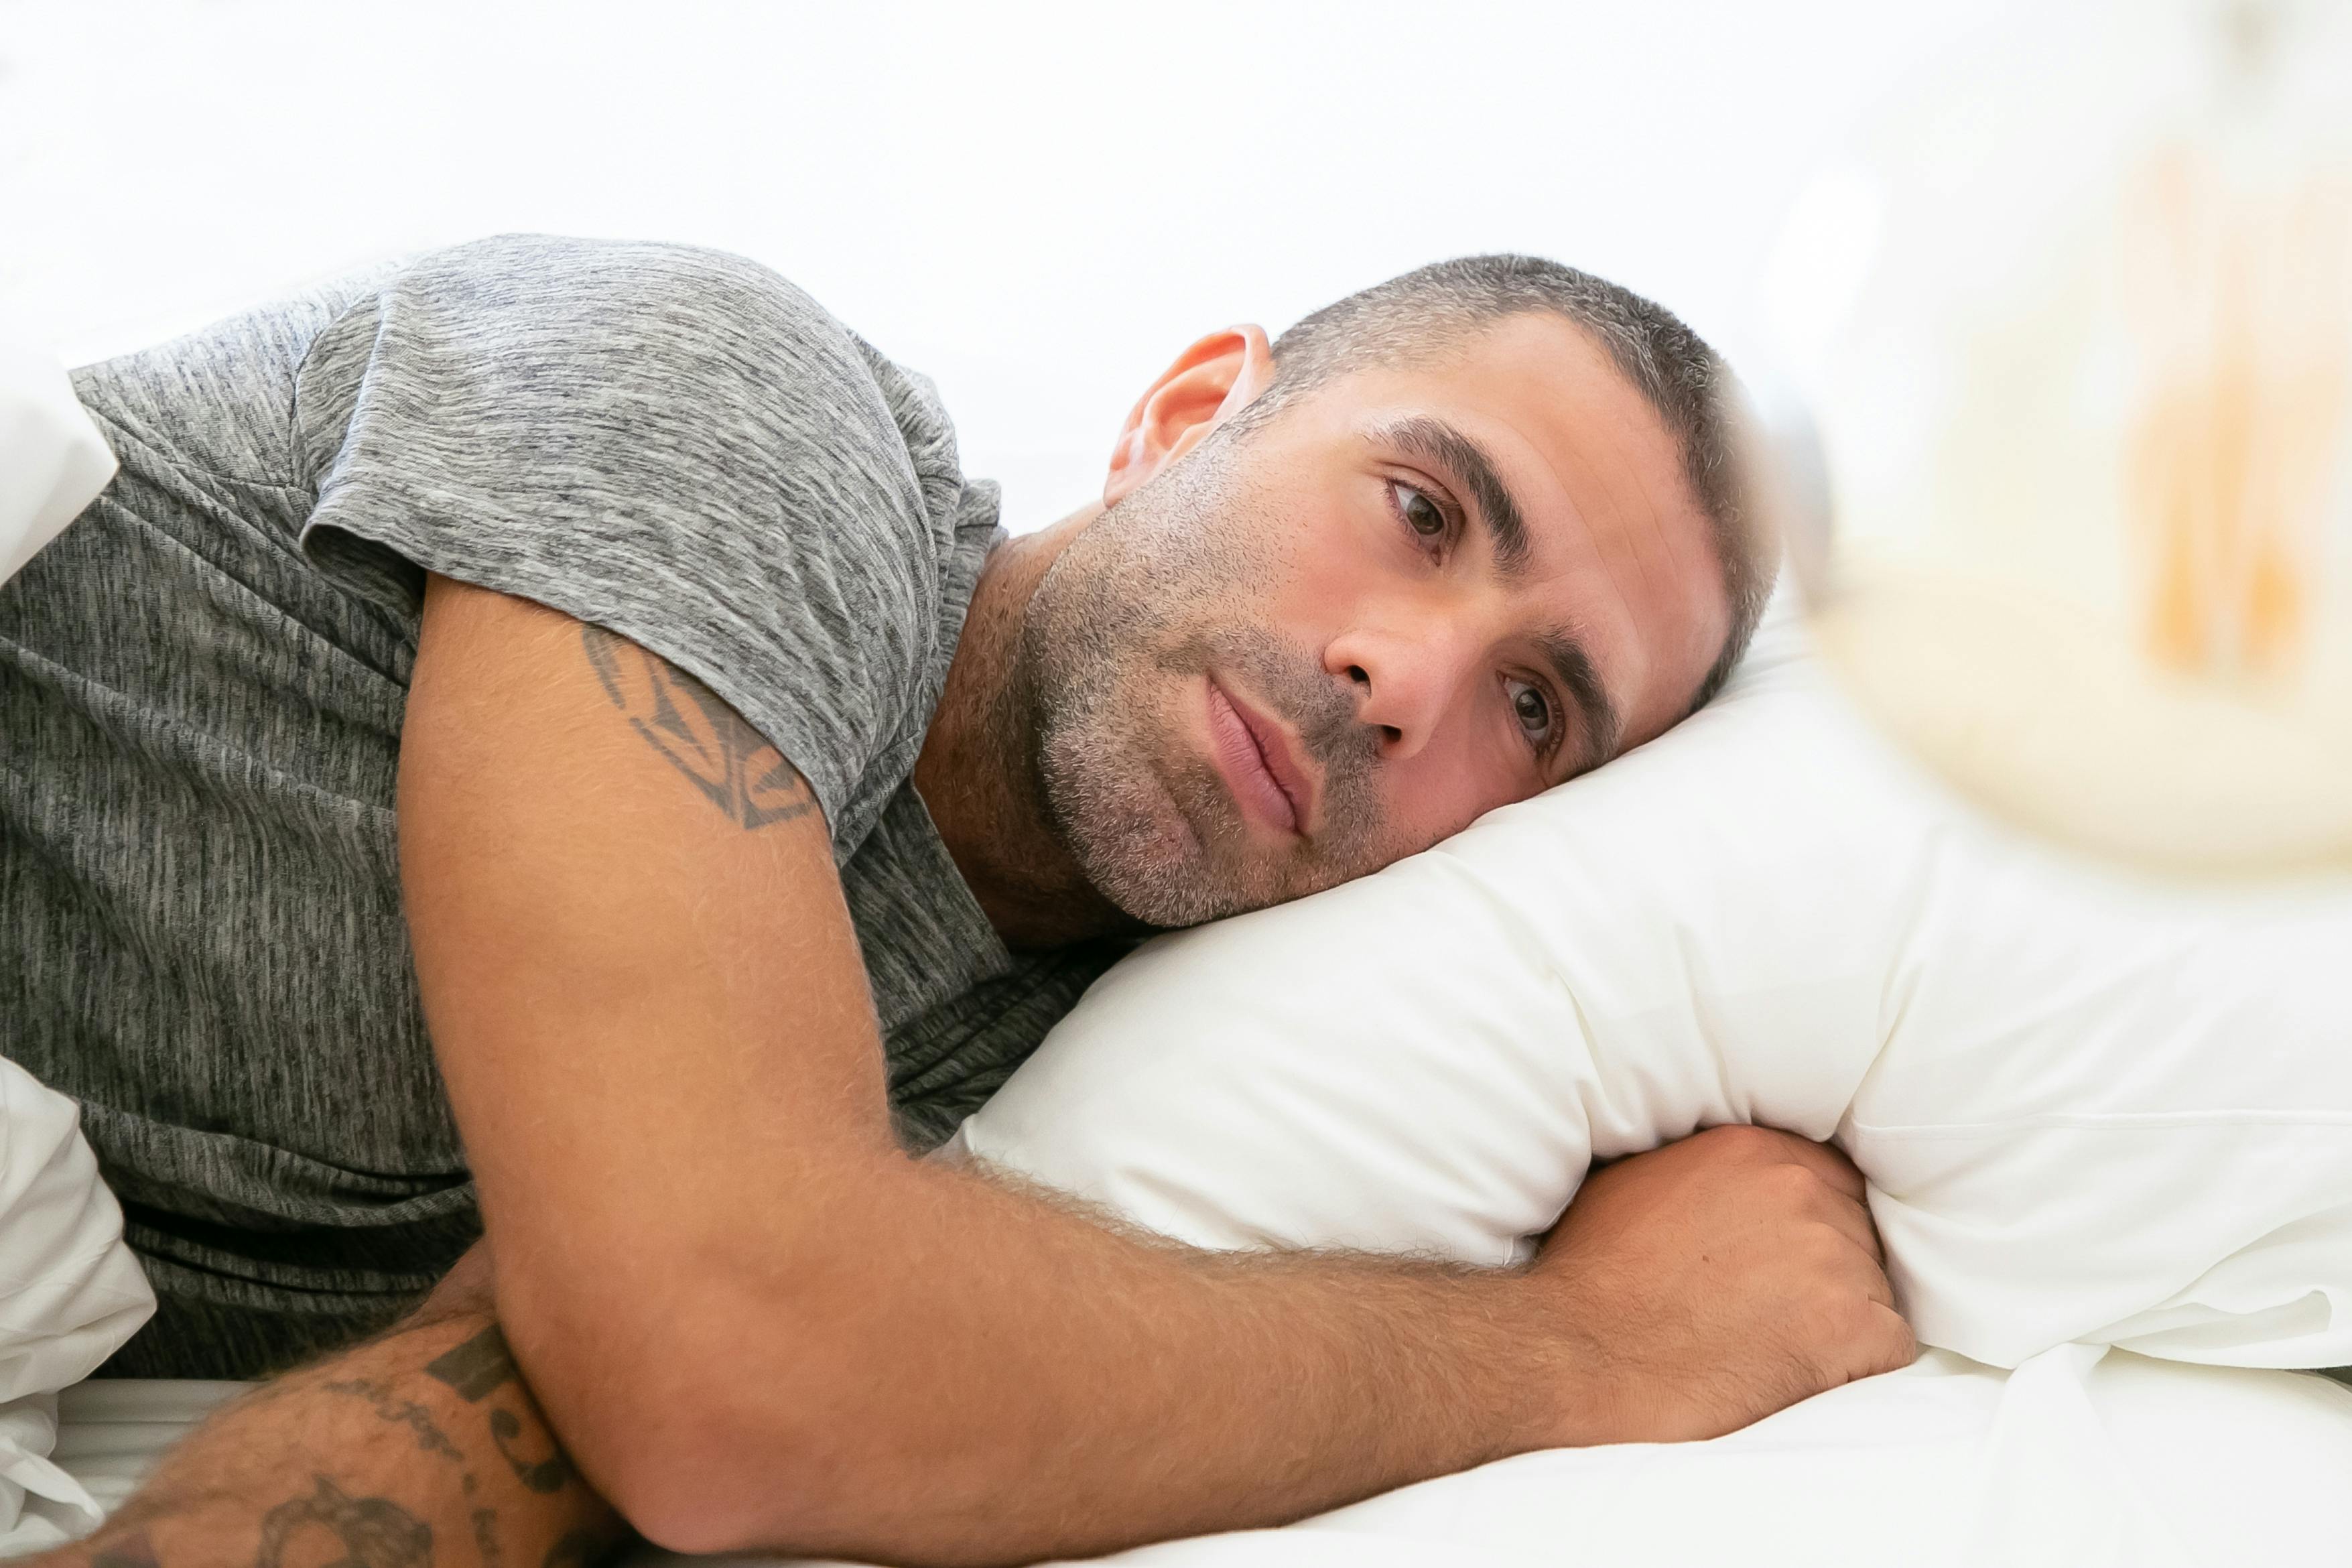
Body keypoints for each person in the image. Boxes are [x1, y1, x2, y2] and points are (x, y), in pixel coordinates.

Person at [0, 235, 1912, 1565]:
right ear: (1185, 414)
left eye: (1533, 704)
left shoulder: (1032, 1125)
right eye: (1422, 507)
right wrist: (1592, 1354)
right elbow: (725, 1356)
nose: (1406, 679)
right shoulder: (749, 420)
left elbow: (647, 1360)